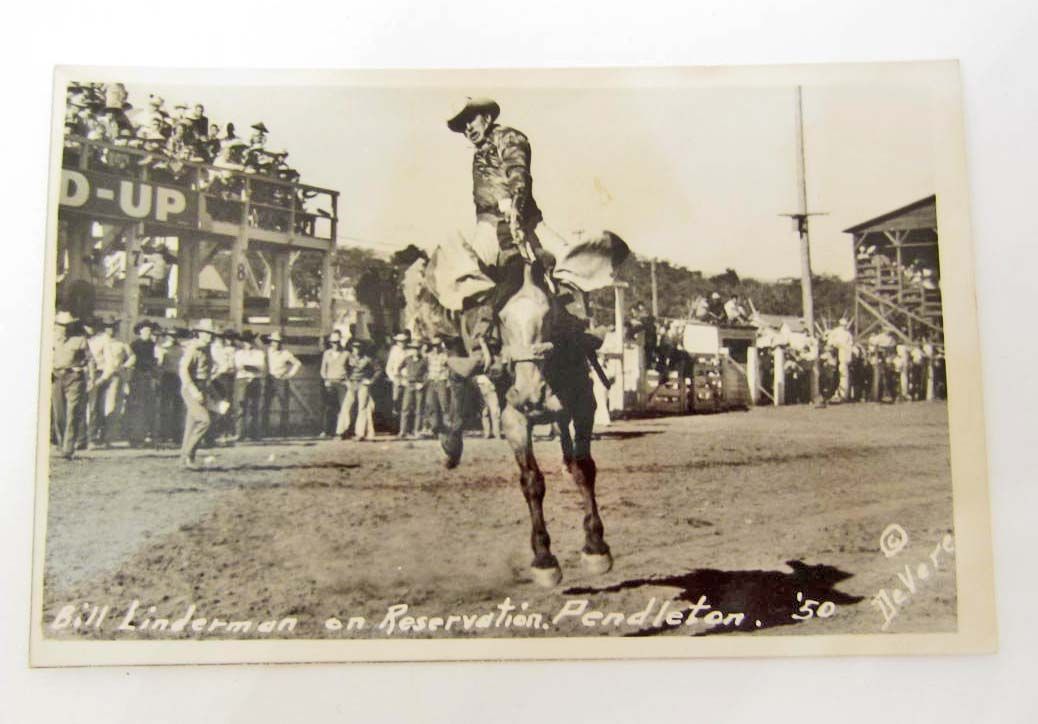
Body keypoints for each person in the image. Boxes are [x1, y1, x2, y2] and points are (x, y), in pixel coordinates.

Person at [179, 319, 225, 469]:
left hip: (202, 387)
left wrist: (212, 393)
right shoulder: (193, 349)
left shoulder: (207, 349)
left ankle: (185, 460)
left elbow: (207, 374)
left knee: (191, 425)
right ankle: (187, 455)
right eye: (206, 333)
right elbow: (183, 371)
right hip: (191, 388)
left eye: (211, 334)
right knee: (204, 421)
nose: (209, 337)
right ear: (199, 333)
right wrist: (194, 391)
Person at [51, 311, 94, 459]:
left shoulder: (80, 340)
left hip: (74, 377)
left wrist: (91, 379)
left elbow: (90, 359)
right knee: (59, 413)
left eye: (66, 325)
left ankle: (68, 448)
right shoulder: (50, 340)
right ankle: (62, 443)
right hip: (56, 377)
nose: (63, 328)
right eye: (60, 325)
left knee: (73, 412)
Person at [88, 318, 135, 447]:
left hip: (114, 376)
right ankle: (92, 437)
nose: (111, 329)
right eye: (108, 326)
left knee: (111, 406)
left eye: (114, 326)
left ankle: (107, 436)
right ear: (104, 328)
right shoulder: (96, 341)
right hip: (98, 375)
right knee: (95, 406)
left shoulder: (121, 343)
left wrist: (124, 366)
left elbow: (132, 356)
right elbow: (90, 358)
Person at [338, 339, 380, 440]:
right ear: (352, 348)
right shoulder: (348, 358)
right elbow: (343, 369)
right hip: (351, 384)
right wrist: (346, 381)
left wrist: (371, 380)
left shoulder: (367, 359)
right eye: (355, 348)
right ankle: (341, 431)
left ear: (362, 349)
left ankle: (360, 433)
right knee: (346, 407)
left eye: (359, 348)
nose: (357, 350)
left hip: (362, 384)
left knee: (362, 408)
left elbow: (378, 370)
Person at [125, 319, 159, 446]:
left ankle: (147, 435)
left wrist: (154, 376)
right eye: (145, 330)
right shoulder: (134, 345)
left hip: (149, 378)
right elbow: (130, 362)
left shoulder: (154, 345)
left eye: (149, 330)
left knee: (149, 407)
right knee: (136, 406)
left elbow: (155, 363)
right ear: (140, 332)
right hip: (137, 378)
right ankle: (134, 436)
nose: (148, 333)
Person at [263, 330, 302, 438]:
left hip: (281, 379)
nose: (275, 344)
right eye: (273, 341)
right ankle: (264, 430)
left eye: (277, 342)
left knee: (284, 405)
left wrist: (289, 375)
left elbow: (298, 363)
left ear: (281, 343)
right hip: (270, 379)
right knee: (265, 404)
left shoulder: (286, 353)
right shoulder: (267, 351)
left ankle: (283, 431)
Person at [232, 330, 266, 441]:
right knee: (241, 407)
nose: (248, 344)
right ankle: (239, 433)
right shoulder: (238, 353)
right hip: (242, 381)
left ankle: (254, 433)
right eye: (245, 341)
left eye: (249, 341)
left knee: (254, 407)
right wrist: (252, 367)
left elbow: (261, 368)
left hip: (255, 380)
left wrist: (250, 367)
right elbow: (240, 367)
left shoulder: (259, 353)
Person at [155, 328, 186, 442]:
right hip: (167, 377)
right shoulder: (162, 348)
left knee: (178, 407)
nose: (173, 337)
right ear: (167, 336)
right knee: (165, 406)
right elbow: (159, 365)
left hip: (178, 378)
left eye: (175, 335)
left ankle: (177, 435)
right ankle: (164, 434)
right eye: (170, 335)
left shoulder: (182, 349)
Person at [209, 330, 238, 443]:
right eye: (220, 337)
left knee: (226, 404)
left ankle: (223, 431)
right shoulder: (214, 348)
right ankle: (218, 431)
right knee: (220, 404)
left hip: (228, 377)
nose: (222, 339)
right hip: (218, 377)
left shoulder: (230, 349)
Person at [320, 330, 349, 437]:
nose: (335, 345)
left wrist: (348, 381)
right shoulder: (327, 353)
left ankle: (341, 431)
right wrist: (326, 380)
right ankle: (327, 430)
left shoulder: (346, 353)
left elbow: (350, 368)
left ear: (340, 341)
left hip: (342, 383)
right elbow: (323, 370)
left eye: (337, 342)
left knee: (343, 407)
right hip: (330, 382)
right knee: (329, 408)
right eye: (333, 342)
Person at [397, 341, 427, 439]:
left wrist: (422, 383)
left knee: (419, 409)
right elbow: (398, 369)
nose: (415, 351)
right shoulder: (407, 359)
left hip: (419, 386)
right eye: (413, 348)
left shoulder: (424, 360)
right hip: (409, 385)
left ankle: (417, 431)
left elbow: (428, 373)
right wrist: (402, 380)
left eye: (417, 348)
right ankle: (403, 431)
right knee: (405, 408)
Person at [424, 337, 451, 436]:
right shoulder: (429, 356)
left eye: (437, 345)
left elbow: (449, 368)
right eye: (434, 346)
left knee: (444, 403)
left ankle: (447, 426)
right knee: (431, 404)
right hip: (431, 381)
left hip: (441, 380)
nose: (435, 348)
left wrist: (447, 380)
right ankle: (433, 427)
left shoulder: (445, 355)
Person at [384, 332, 409, 416]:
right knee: (396, 400)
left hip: (407, 378)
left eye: (403, 341)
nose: (402, 343)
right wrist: (393, 378)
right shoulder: (394, 351)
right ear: (397, 342)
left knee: (407, 402)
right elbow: (388, 367)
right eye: (400, 341)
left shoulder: (408, 351)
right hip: (397, 378)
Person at [474, 373, 502, 439]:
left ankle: (494, 433)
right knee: (486, 411)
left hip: (487, 384)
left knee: (492, 411)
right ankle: (489, 433)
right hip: (482, 384)